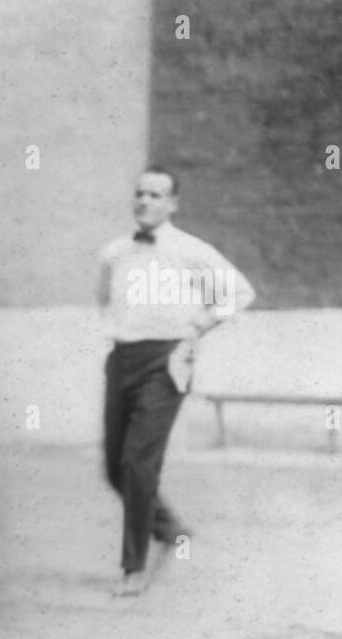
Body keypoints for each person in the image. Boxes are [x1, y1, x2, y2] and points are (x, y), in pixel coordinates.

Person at [97, 168, 256, 596]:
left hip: (165, 362)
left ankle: (134, 567)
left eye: (156, 195)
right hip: (122, 358)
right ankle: (170, 529)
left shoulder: (189, 250)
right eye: (140, 193)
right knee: (114, 466)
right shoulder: (114, 252)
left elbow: (240, 292)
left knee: (137, 463)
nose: (146, 201)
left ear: (173, 204)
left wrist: (196, 327)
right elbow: (105, 300)